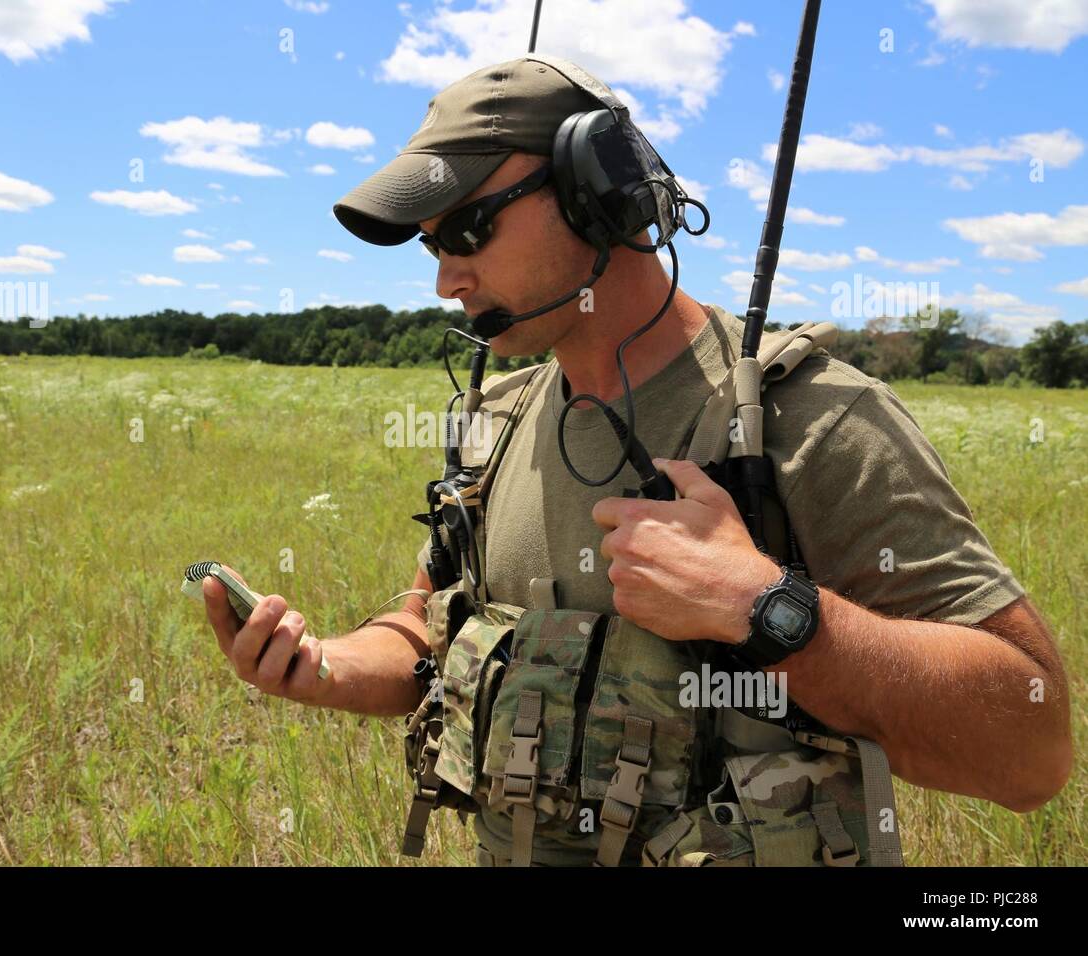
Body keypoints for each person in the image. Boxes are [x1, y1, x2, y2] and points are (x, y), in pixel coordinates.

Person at [203, 56, 1071, 866]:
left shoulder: (806, 421)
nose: (446, 281)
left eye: (468, 229)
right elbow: (430, 632)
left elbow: (1032, 753)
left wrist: (768, 608)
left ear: (596, 194)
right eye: (433, 245)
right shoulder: (493, 426)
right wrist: (321, 666)